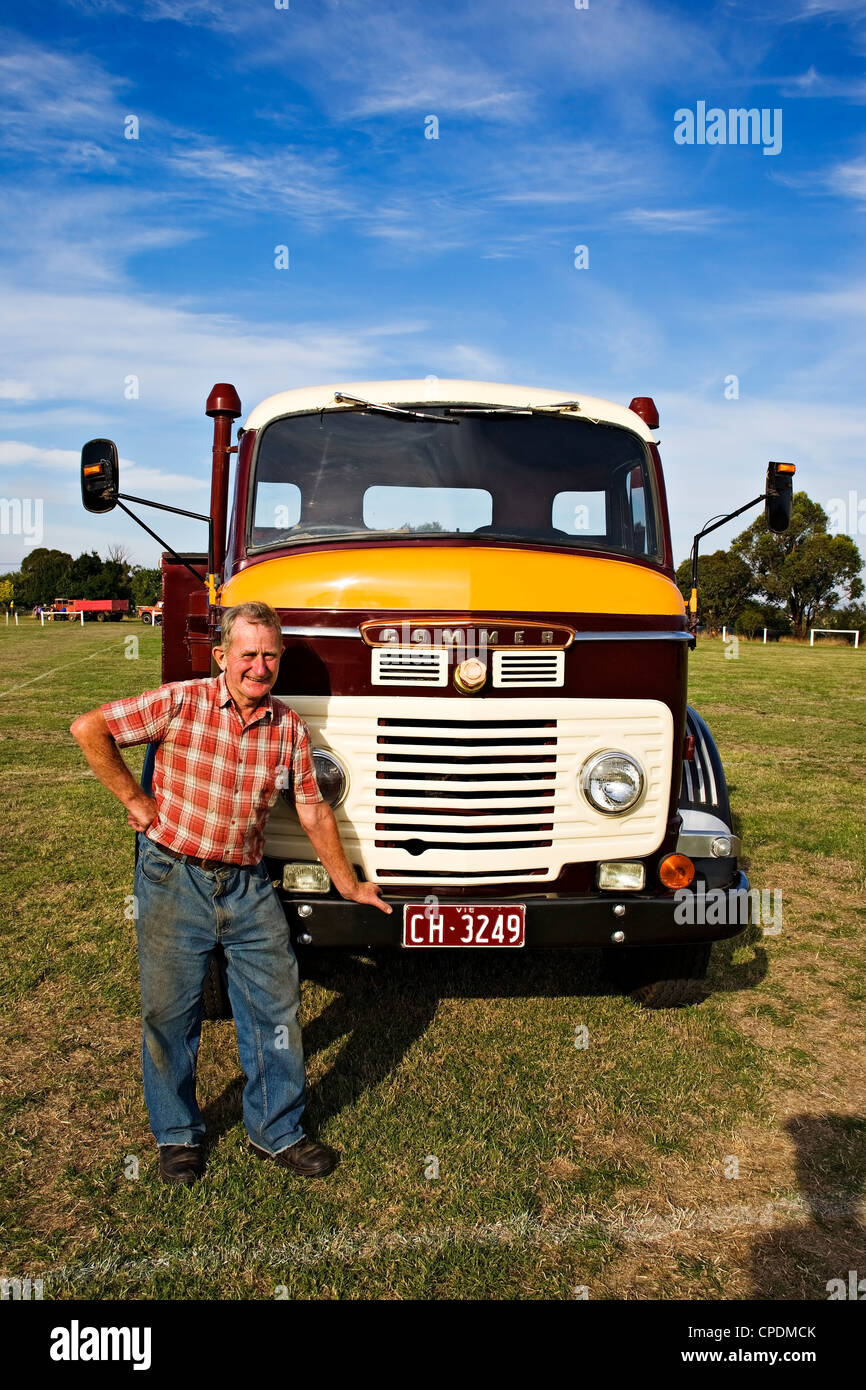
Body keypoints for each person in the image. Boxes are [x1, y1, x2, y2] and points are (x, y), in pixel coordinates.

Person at [70, 600, 391, 1185]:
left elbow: (313, 810)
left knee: (275, 1007)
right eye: (248, 655)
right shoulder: (181, 702)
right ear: (222, 655)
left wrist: (350, 884)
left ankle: (276, 1130)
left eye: (270, 656)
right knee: (170, 1014)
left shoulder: (287, 727)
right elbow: (90, 728)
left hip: (247, 883)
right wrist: (135, 800)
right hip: (174, 876)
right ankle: (177, 1135)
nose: (259, 667)